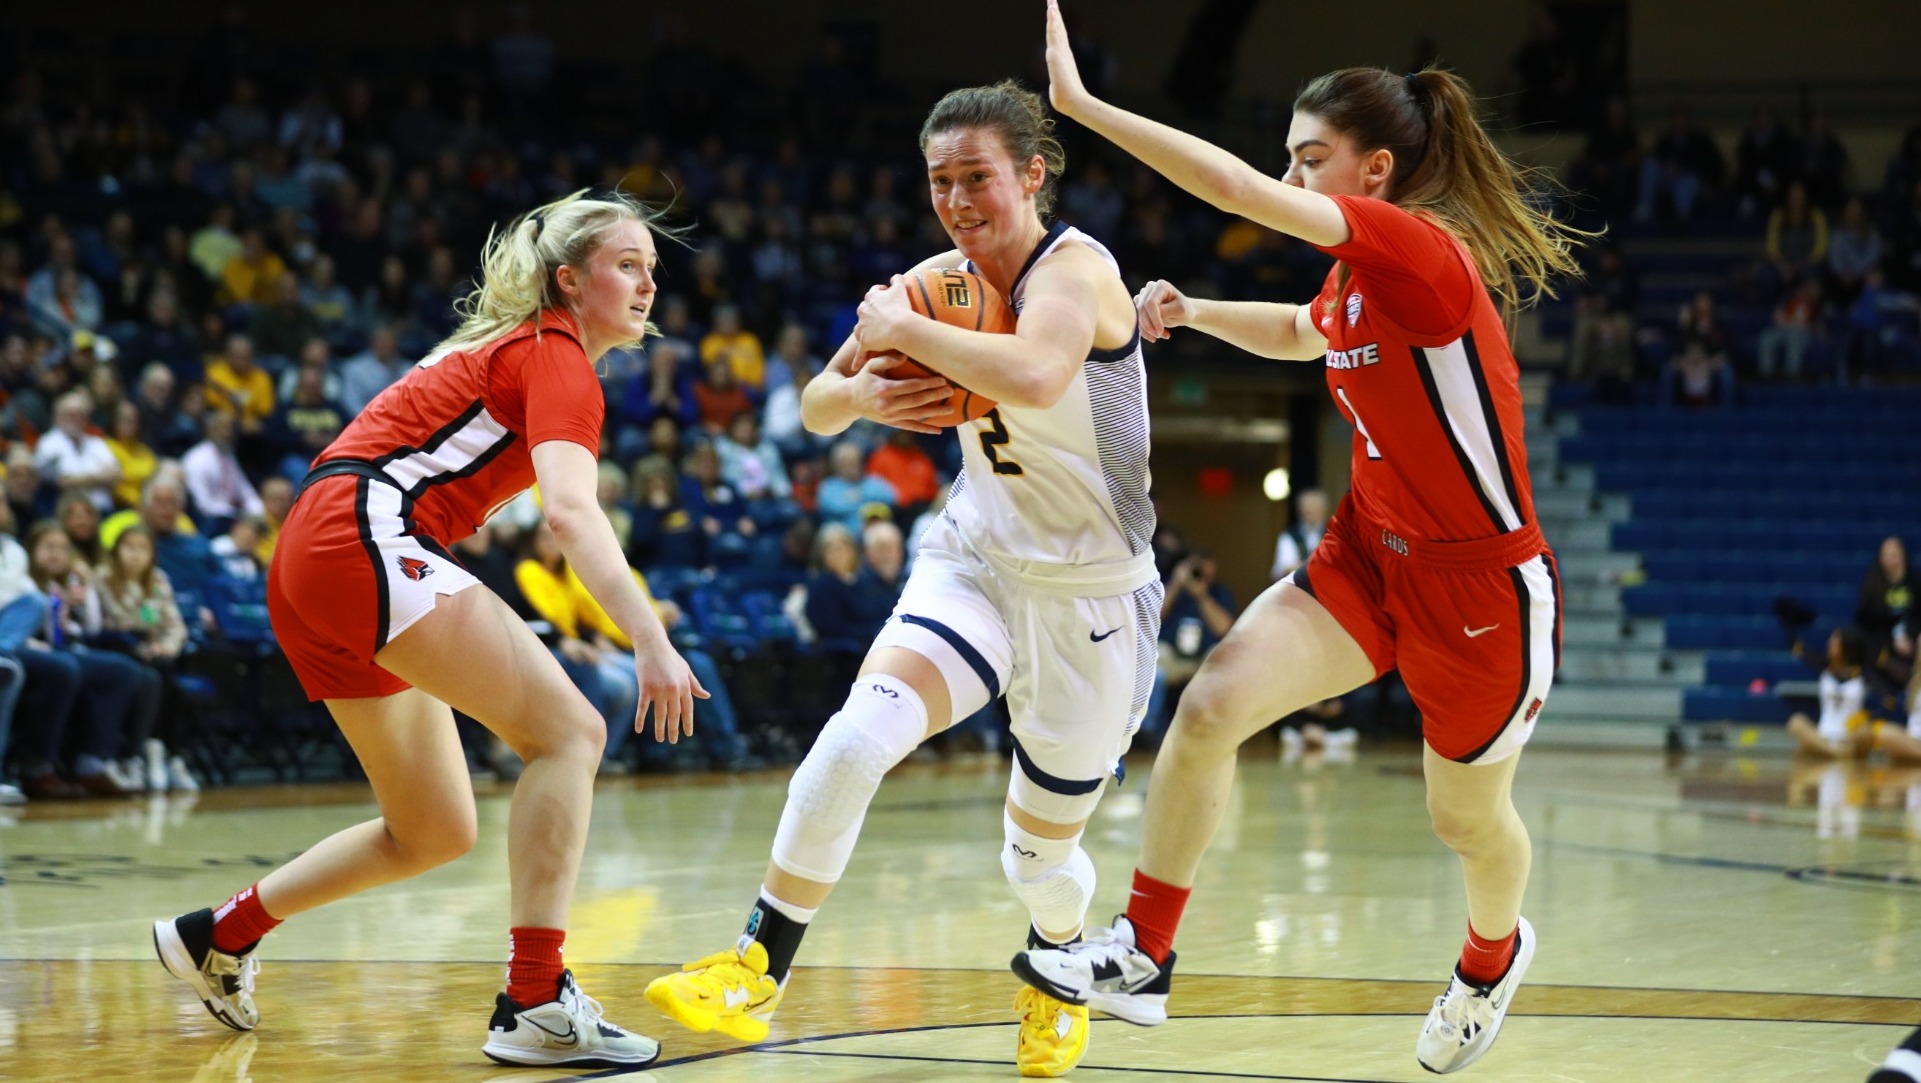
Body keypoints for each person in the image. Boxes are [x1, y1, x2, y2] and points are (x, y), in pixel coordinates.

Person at [1011, 7, 1580, 1076]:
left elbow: (1231, 190)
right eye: (1285, 158)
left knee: (1464, 819)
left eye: (1308, 160)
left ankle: (1490, 955)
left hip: (1482, 589)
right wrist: (1195, 310)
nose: (1288, 175)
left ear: (1373, 170)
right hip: (1370, 552)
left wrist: (1085, 110)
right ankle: (1144, 950)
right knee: (1212, 704)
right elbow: (1304, 331)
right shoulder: (1356, 277)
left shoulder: (1422, 252)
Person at [645, 78, 1158, 1079]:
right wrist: (864, 388)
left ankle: (1061, 962)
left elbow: (1038, 376)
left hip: (1092, 601)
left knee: (1036, 861)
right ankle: (757, 966)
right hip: (973, 560)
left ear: (1032, 174)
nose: (959, 202)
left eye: (977, 178)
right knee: (852, 742)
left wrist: (902, 331)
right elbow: (813, 406)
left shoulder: (1077, 271)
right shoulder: (935, 283)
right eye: (939, 183)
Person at [151, 190, 703, 1070]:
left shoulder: (511, 346)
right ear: (569, 281)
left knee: (433, 828)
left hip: (316, 556)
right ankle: (534, 999)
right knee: (570, 734)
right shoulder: (556, 352)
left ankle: (218, 933)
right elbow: (570, 512)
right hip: (362, 538)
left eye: (651, 269)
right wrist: (649, 637)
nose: (647, 285)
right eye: (627, 266)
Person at [1271, 487, 1329, 580]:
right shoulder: (1290, 536)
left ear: (1324, 510)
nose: (1310, 512)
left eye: (1315, 508)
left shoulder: (1333, 534)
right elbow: (1285, 568)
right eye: (1307, 509)